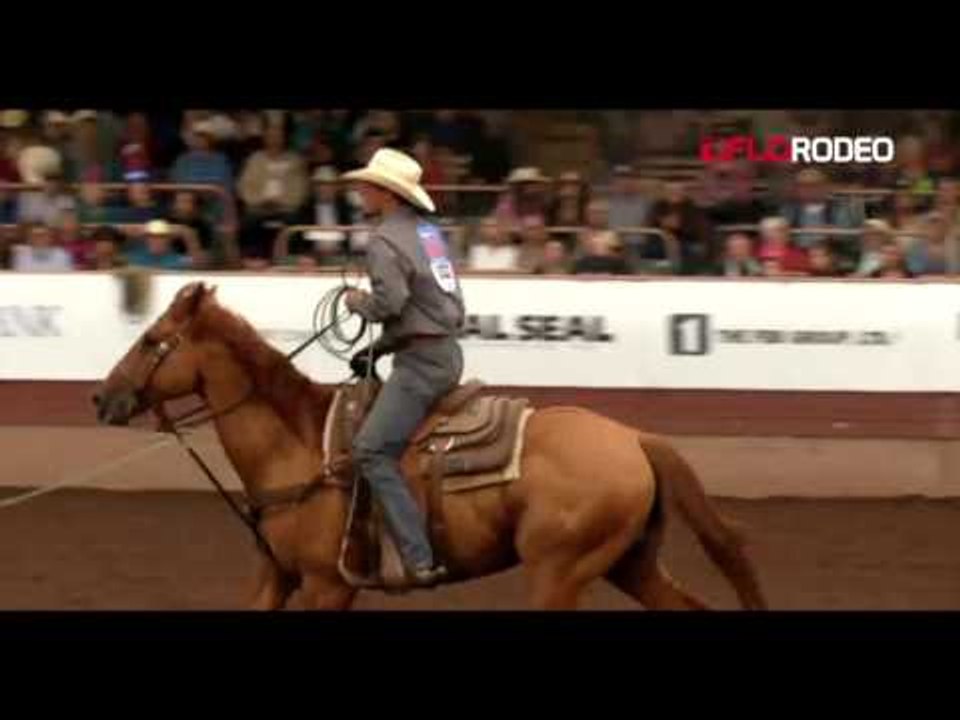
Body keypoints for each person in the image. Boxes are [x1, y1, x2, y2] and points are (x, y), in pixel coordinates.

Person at [341, 148, 464, 587]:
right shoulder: (429, 234)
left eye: (366, 185)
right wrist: (380, 347)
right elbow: (431, 306)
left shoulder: (383, 240)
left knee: (371, 450)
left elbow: (390, 303)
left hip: (421, 365)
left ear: (385, 193)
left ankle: (418, 557)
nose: (360, 191)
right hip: (446, 353)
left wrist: (356, 302)